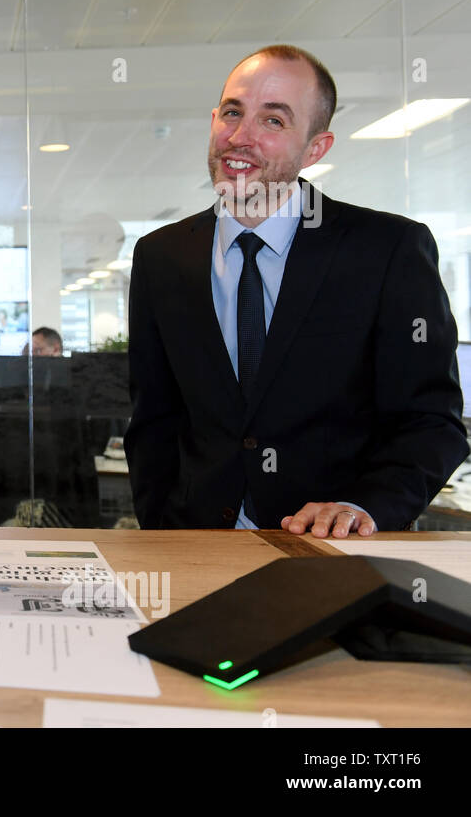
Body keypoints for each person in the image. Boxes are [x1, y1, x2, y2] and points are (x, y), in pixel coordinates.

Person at [125, 44, 467, 538]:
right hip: (195, 547)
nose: (240, 137)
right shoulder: (161, 255)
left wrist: (363, 506)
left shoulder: (387, 249)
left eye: (273, 121)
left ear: (315, 148)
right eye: (232, 112)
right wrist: (161, 526)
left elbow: (432, 422)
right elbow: (154, 418)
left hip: (336, 557)